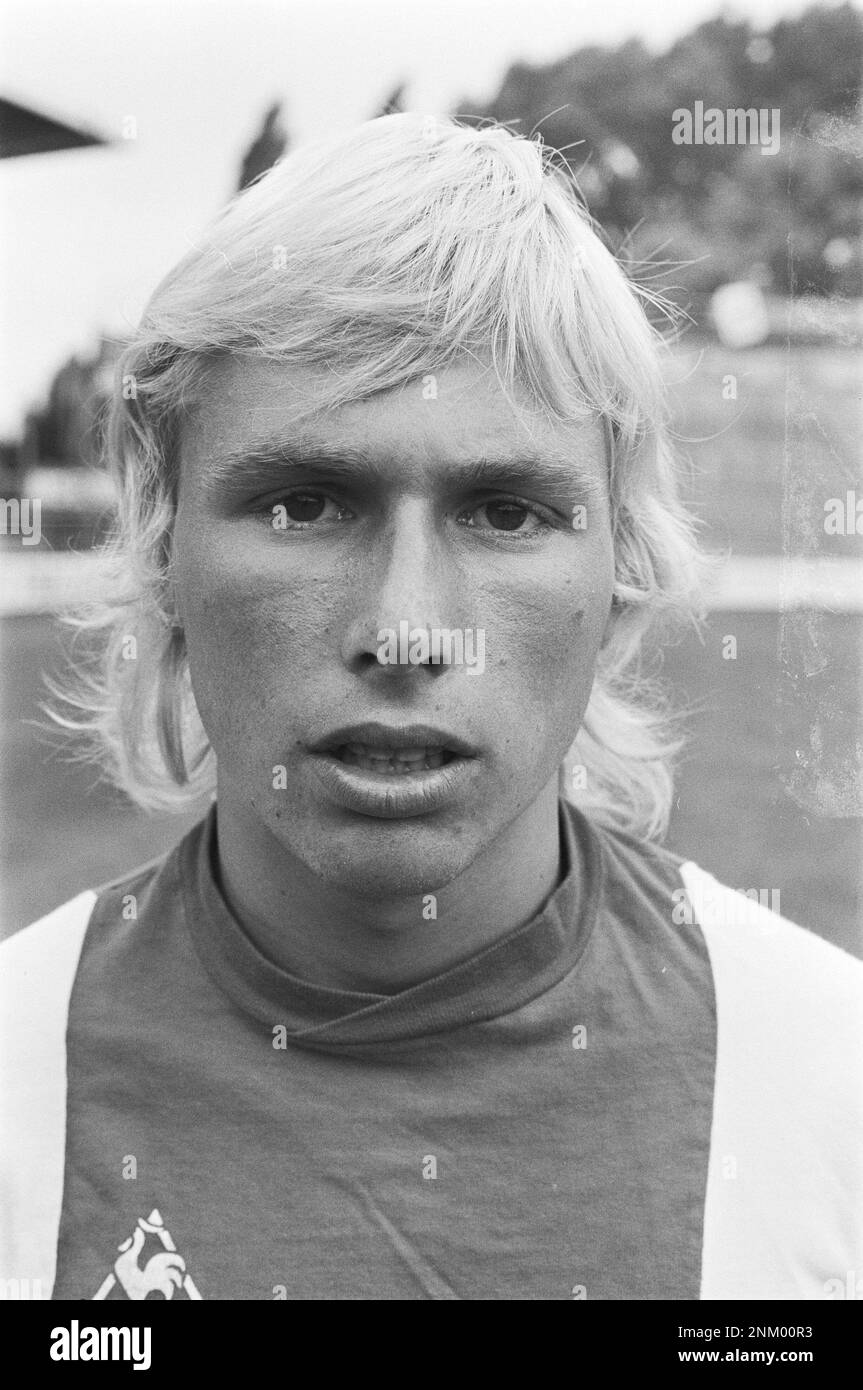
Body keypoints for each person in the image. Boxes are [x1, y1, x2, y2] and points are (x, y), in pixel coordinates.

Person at [1, 114, 859, 1302]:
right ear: (161, 555)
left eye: (504, 511)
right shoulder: (15, 1083)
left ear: (619, 577)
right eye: (305, 503)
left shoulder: (829, 1095)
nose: (406, 628)